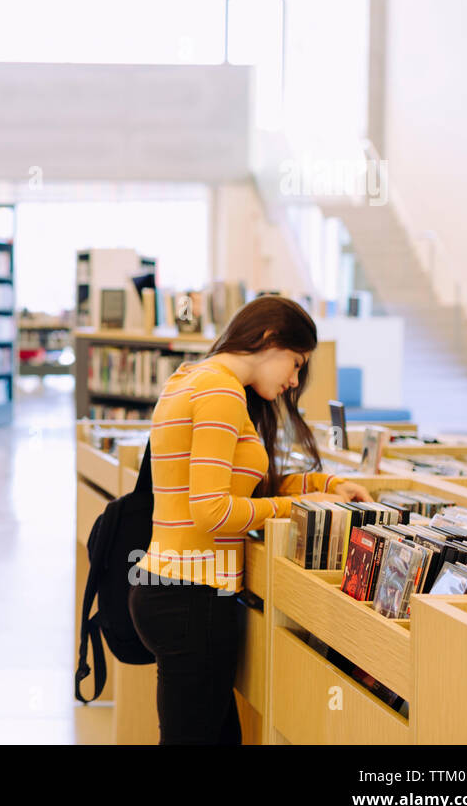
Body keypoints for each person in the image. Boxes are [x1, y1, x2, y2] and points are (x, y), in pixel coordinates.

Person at [127, 295, 372, 744]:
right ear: (267, 339)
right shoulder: (219, 392)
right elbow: (213, 511)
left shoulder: (194, 378)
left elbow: (243, 486)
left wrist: (321, 485)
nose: (294, 380)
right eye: (296, 364)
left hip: (173, 588)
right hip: (192, 596)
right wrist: (298, 509)